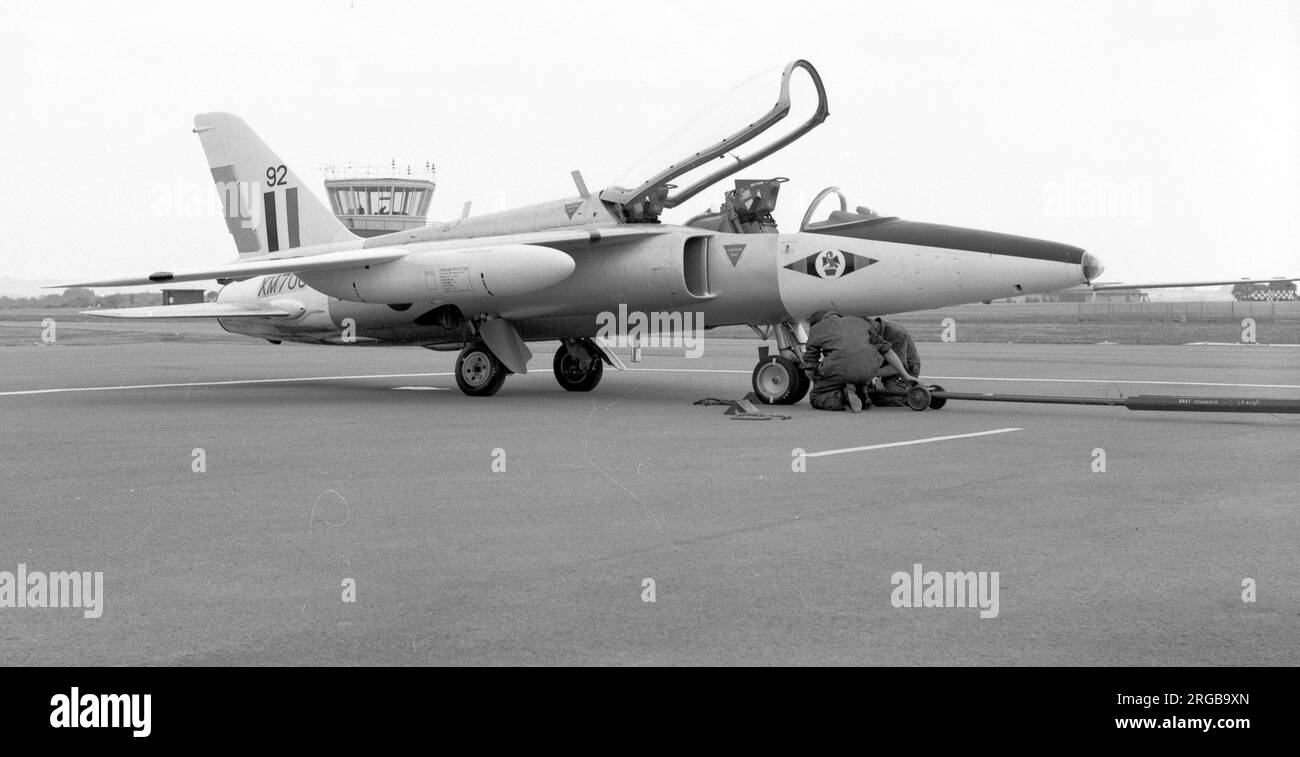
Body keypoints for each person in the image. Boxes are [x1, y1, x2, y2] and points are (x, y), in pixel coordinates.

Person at [802, 311, 919, 412]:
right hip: (869, 371)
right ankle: (862, 396)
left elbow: (810, 365)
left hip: (903, 367)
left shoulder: (817, 329)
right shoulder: (862, 323)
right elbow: (888, 351)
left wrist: (818, 380)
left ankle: (841, 397)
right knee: (865, 385)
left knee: (817, 396)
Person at [866, 317, 923, 407]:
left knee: (886, 399)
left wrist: (871, 373)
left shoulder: (896, 333)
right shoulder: (872, 330)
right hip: (886, 363)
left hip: (906, 367)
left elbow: (896, 368)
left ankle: (913, 391)